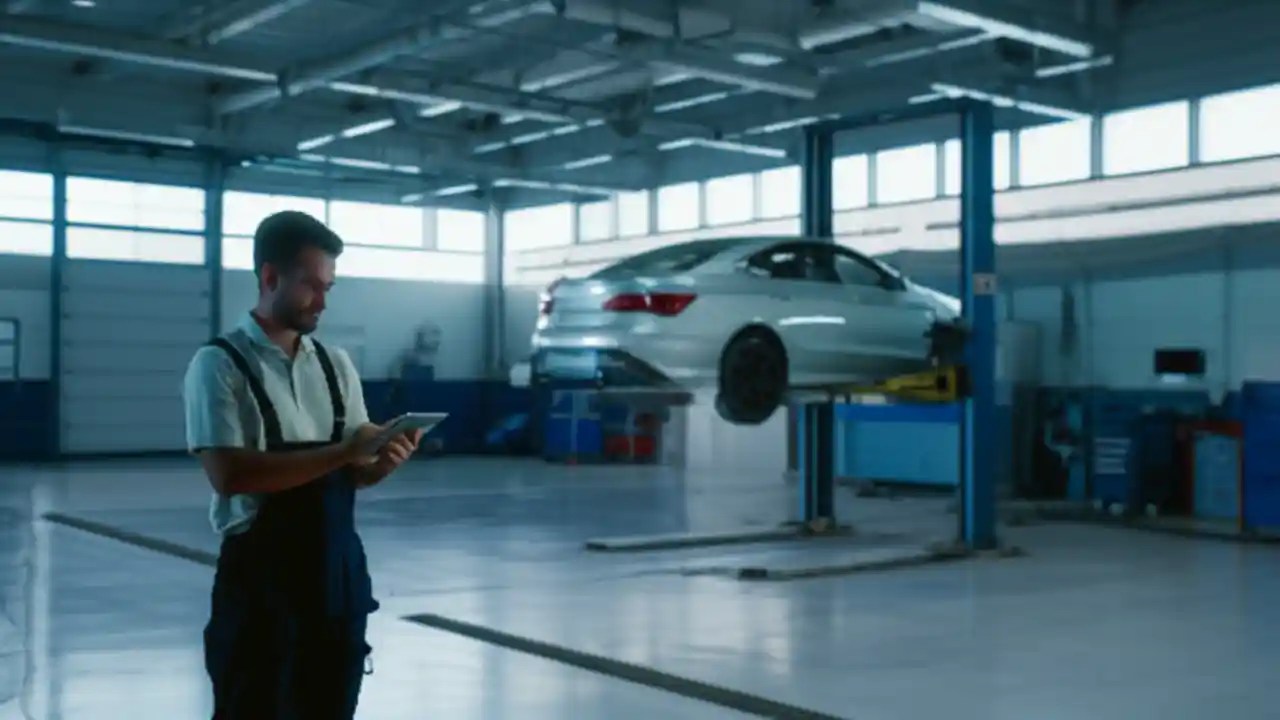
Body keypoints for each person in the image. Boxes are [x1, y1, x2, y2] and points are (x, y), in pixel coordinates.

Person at [182, 210, 422, 719]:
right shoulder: (219, 364)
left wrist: (383, 462)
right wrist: (345, 452)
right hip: (260, 588)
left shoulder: (336, 366)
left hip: (336, 582)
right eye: (311, 285)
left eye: (329, 286)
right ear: (270, 278)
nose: (323, 300)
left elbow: (356, 471)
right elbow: (231, 475)